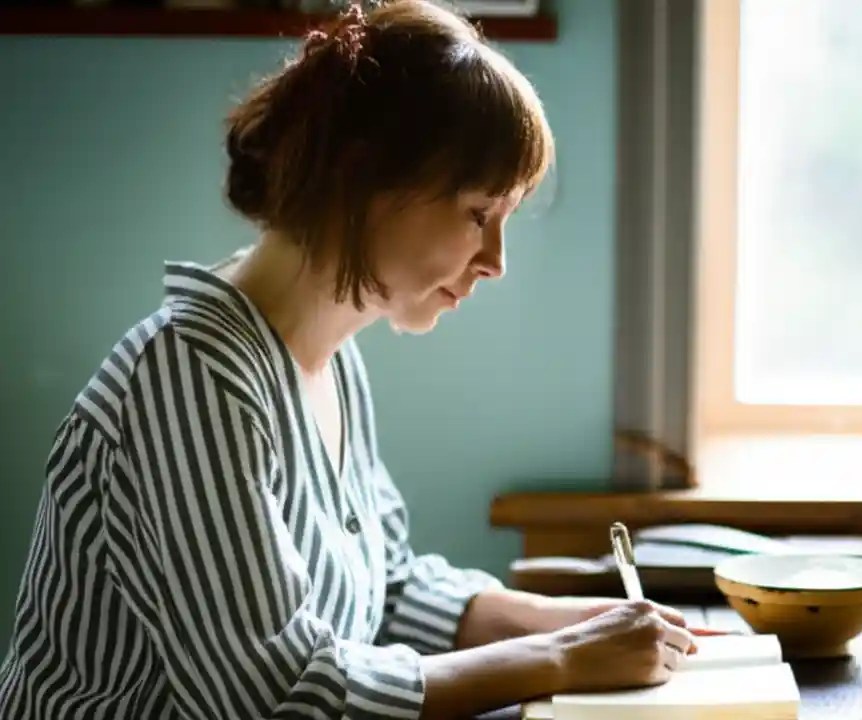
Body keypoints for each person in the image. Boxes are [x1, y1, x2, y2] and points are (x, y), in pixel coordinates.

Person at [0, 2, 703, 717]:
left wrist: (576, 623)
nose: (495, 261)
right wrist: (557, 659)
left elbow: (387, 591)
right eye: (478, 214)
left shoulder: (329, 361)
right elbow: (273, 696)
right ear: (365, 181)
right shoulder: (191, 377)